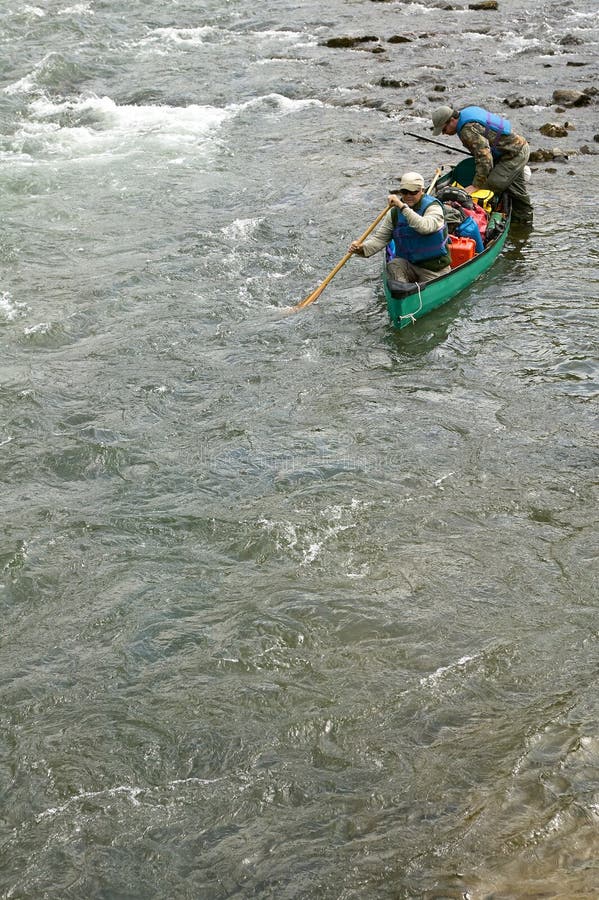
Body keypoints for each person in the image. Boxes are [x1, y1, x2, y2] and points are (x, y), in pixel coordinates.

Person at [430, 104, 533, 225]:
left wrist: (476, 185)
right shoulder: (466, 112)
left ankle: (487, 220)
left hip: (513, 154)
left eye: (444, 129)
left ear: (452, 120)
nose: (444, 133)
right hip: (513, 148)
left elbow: (484, 157)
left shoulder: (466, 130)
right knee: (516, 189)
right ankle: (523, 223)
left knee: (489, 186)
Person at [349, 172, 451, 284]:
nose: (408, 196)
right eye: (404, 192)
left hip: (434, 268)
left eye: (413, 192)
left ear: (422, 191)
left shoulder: (433, 208)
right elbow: (380, 239)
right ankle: (403, 291)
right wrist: (361, 249)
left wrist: (403, 207)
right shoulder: (394, 213)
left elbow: (424, 227)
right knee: (393, 265)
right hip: (409, 264)